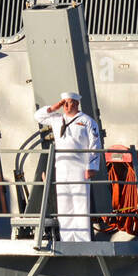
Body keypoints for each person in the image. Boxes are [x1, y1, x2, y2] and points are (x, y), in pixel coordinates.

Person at [33, 91, 102, 242]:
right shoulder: (57, 119)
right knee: (64, 204)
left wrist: (92, 166)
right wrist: (54, 107)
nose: (65, 105)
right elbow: (38, 116)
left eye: (68, 102)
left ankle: (82, 239)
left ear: (76, 103)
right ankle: (67, 238)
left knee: (80, 203)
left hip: (80, 168)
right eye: (63, 102)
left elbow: (95, 145)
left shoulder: (87, 121)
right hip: (62, 166)